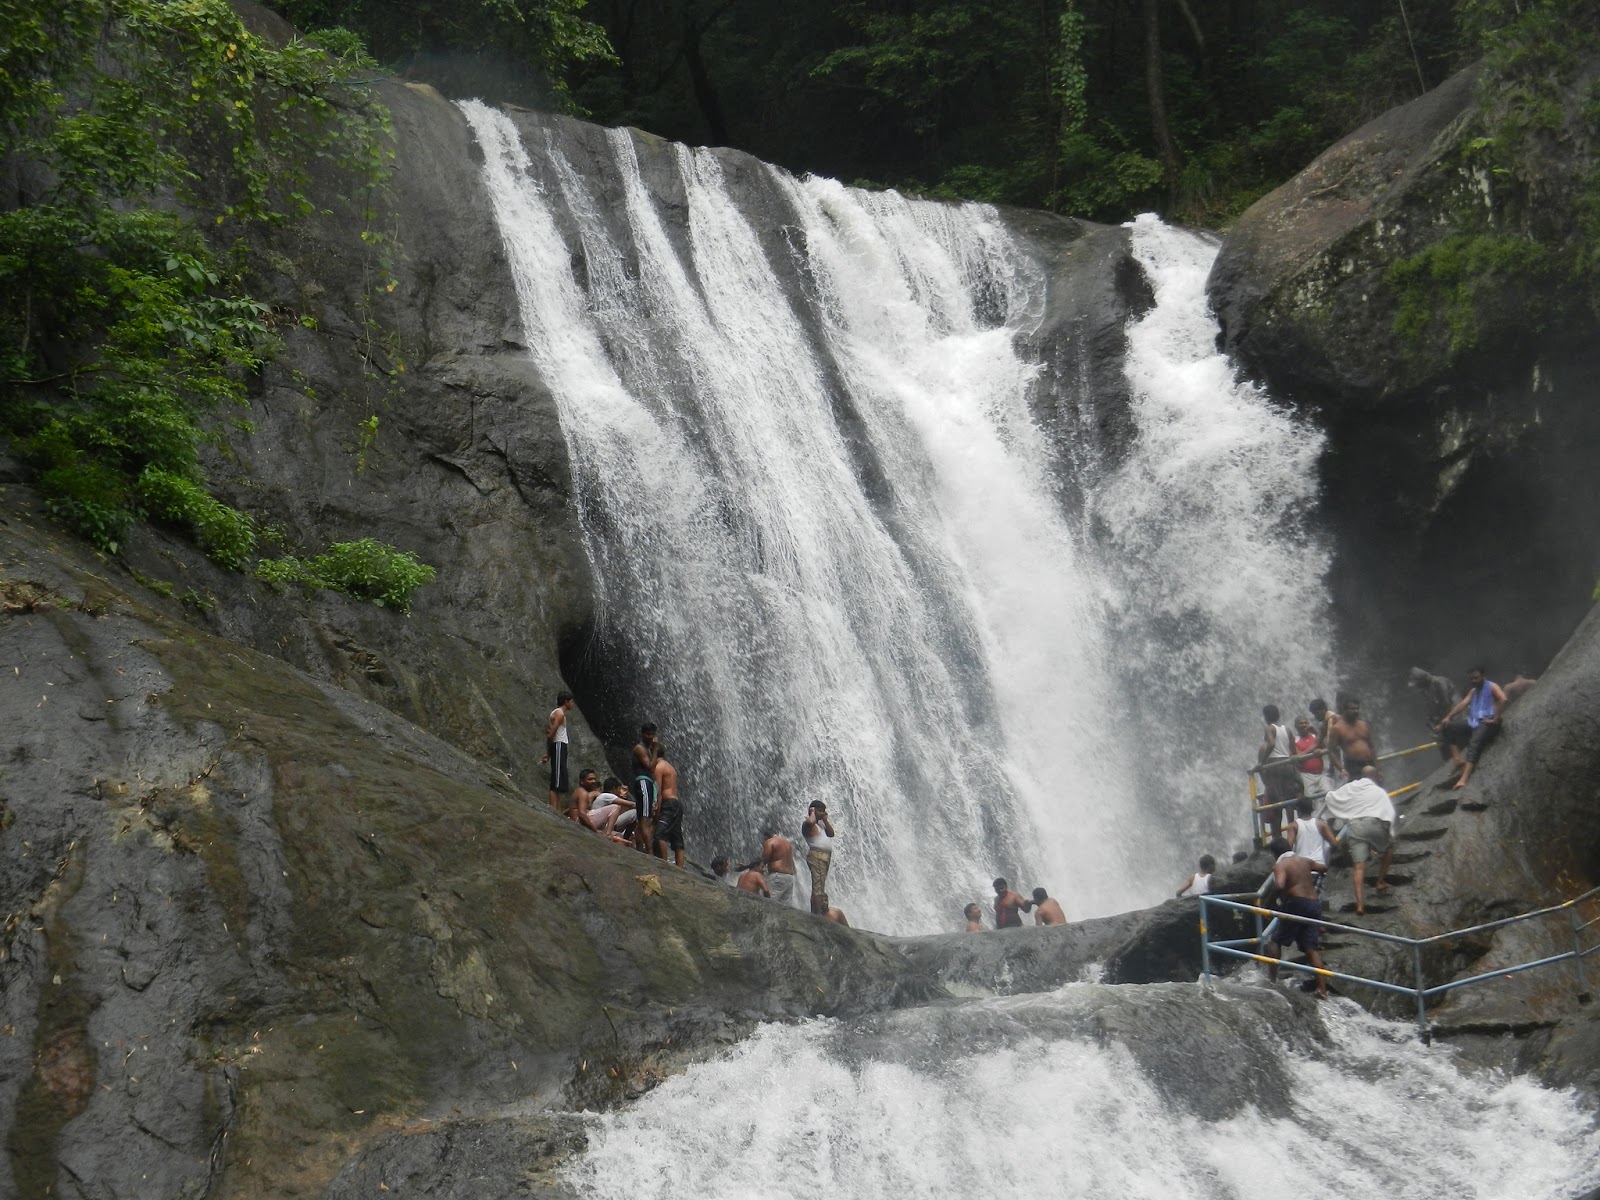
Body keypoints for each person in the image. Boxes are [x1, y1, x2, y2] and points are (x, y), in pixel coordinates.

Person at [1323, 766, 1396, 915]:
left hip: (1355, 827)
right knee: (1389, 849)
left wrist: (1344, 812)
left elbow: (1331, 797)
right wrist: (1389, 831)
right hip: (1374, 824)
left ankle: (1360, 905)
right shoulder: (1379, 791)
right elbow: (1389, 813)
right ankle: (1380, 882)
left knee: (1358, 867)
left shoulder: (1351, 787)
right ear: (1374, 776)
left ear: (1362, 775)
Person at [1264, 840, 1329, 998]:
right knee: (1310, 948)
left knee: (1275, 941)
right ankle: (1322, 990)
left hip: (1296, 903)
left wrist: (1269, 903)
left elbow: (1279, 885)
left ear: (1275, 854)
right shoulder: (1305, 861)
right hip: (1314, 904)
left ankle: (1271, 981)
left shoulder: (1280, 865)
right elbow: (1323, 868)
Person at [1436, 666, 1507, 791]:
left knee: (1474, 743)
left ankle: (1464, 779)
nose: (1474, 680)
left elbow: (1503, 699)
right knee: (1448, 727)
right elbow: (1462, 704)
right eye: (1472, 679)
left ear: (1483, 676)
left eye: (1476, 678)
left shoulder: (1492, 686)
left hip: (1489, 723)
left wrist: (1495, 719)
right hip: (1474, 721)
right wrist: (1448, 717)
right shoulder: (1474, 691)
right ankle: (1457, 759)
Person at [1256, 704, 1300, 836]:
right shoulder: (1287, 729)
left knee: (1275, 802)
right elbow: (1293, 750)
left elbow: (1271, 744)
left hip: (1274, 765)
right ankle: (1293, 832)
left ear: (1265, 717)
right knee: (1289, 801)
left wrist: (1261, 762)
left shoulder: (1269, 728)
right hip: (1287, 764)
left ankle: (1277, 837)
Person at [1409, 667, 1462, 767]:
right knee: (1440, 741)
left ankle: (1458, 759)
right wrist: (1431, 724)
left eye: (1417, 683)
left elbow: (1446, 704)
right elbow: (1430, 709)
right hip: (1444, 718)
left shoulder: (1438, 682)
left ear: (1422, 680)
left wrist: (1440, 725)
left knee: (1449, 735)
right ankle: (1450, 763)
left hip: (1455, 714)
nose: (1417, 686)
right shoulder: (1425, 690)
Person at [1283, 796, 1337, 893]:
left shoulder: (1293, 826)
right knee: (1315, 898)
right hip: (1318, 868)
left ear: (1298, 810)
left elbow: (1287, 848)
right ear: (1311, 809)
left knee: (1301, 898)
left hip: (1301, 869)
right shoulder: (1321, 824)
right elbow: (1334, 843)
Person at [1326, 696, 1375, 780]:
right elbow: (1331, 751)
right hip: (1353, 766)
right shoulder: (1337, 728)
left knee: (1375, 787)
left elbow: (1371, 746)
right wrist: (1342, 769)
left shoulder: (1363, 724)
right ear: (1344, 710)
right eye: (1352, 709)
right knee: (1358, 787)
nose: (1356, 711)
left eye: (1357, 708)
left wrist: (1378, 768)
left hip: (1370, 764)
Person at [651, 747, 685, 866]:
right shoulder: (670, 767)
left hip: (668, 804)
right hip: (676, 803)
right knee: (677, 838)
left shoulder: (659, 768)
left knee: (659, 834)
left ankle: (664, 864)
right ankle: (680, 868)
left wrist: (656, 810)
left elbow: (658, 792)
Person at [542, 691, 575, 811]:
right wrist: (548, 753)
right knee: (556, 780)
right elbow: (551, 734)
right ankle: (553, 809)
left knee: (559, 779)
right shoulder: (559, 714)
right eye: (571, 701)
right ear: (566, 702)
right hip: (559, 745)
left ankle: (557, 809)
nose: (572, 704)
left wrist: (549, 753)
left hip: (560, 746)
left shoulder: (558, 713)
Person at [802, 801, 835, 914]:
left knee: (819, 886)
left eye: (824, 811)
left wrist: (825, 820)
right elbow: (810, 821)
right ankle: (818, 916)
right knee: (818, 889)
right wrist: (812, 813)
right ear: (812, 810)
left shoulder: (820, 824)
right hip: (817, 856)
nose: (823, 813)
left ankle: (815, 913)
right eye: (820, 811)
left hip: (823, 856)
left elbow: (831, 833)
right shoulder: (808, 824)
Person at [632, 723, 660, 852]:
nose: (650, 737)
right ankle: (650, 852)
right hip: (643, 782)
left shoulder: (647, 749)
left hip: (646, 783)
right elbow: (650, 767)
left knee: (642, 819)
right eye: (648, 734)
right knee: (644, 819)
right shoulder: (640, 748)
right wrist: (655, 750)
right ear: (642, 734)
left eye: (652, 734)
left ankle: (640, 849)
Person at [759, 828, 798, 907]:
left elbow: (764, 859)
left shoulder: (770, 842)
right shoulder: (787, 843)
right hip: (789, 877)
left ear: (766, 837)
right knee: (785, 907)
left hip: (777, 877)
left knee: (767, 903)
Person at [1293, 716, 1327, 802]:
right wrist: (1315, 747)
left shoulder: (1315, 736)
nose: (1304, 725)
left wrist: (1316, 731)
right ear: (1296, 726)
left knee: (1329, 794)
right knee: (1311, 800)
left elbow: (1326, 746)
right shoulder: (1294, 740)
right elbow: (1299, 756)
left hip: (1321, 774)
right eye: (1301, 723)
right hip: (1306, 775)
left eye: (1306, 723)